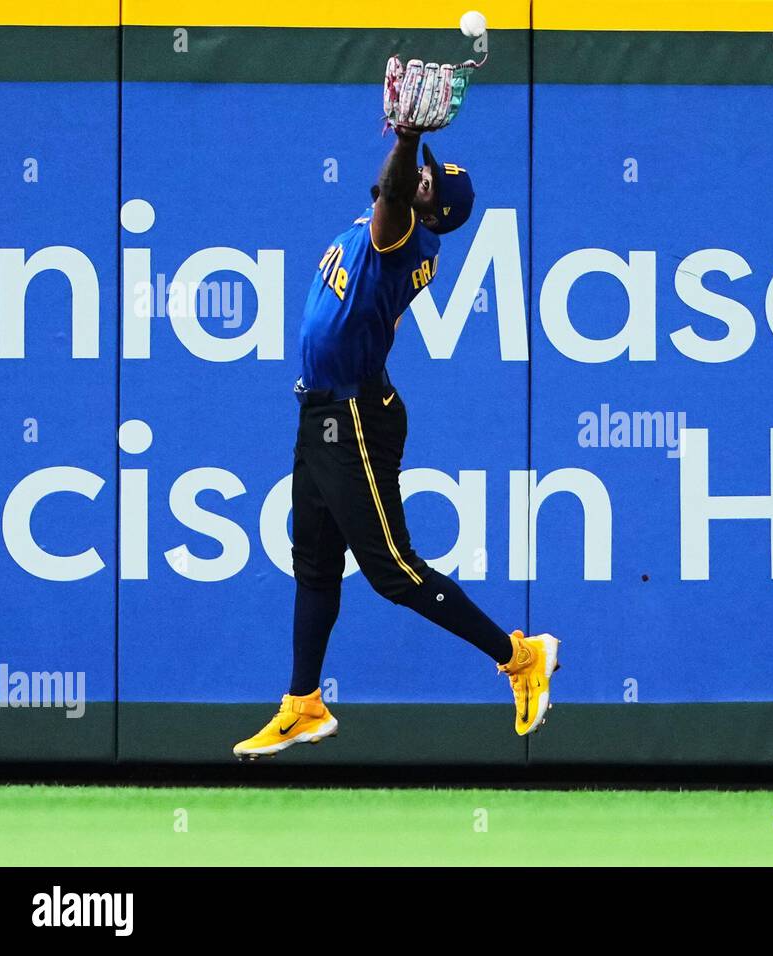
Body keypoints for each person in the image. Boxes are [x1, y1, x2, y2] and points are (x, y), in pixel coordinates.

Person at [233, 127, 558, 760]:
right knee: (316, 564)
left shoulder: (404, 236)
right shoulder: (389, 213)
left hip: (356, 416)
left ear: (431, 209)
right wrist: (406, 145)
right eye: (424, 170)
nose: (420, 177)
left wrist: (409, 133)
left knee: (394, 571)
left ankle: (521, 657)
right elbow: (390, 185)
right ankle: (304, 704)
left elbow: (393, 199)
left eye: (429, 182)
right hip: (321, 413)